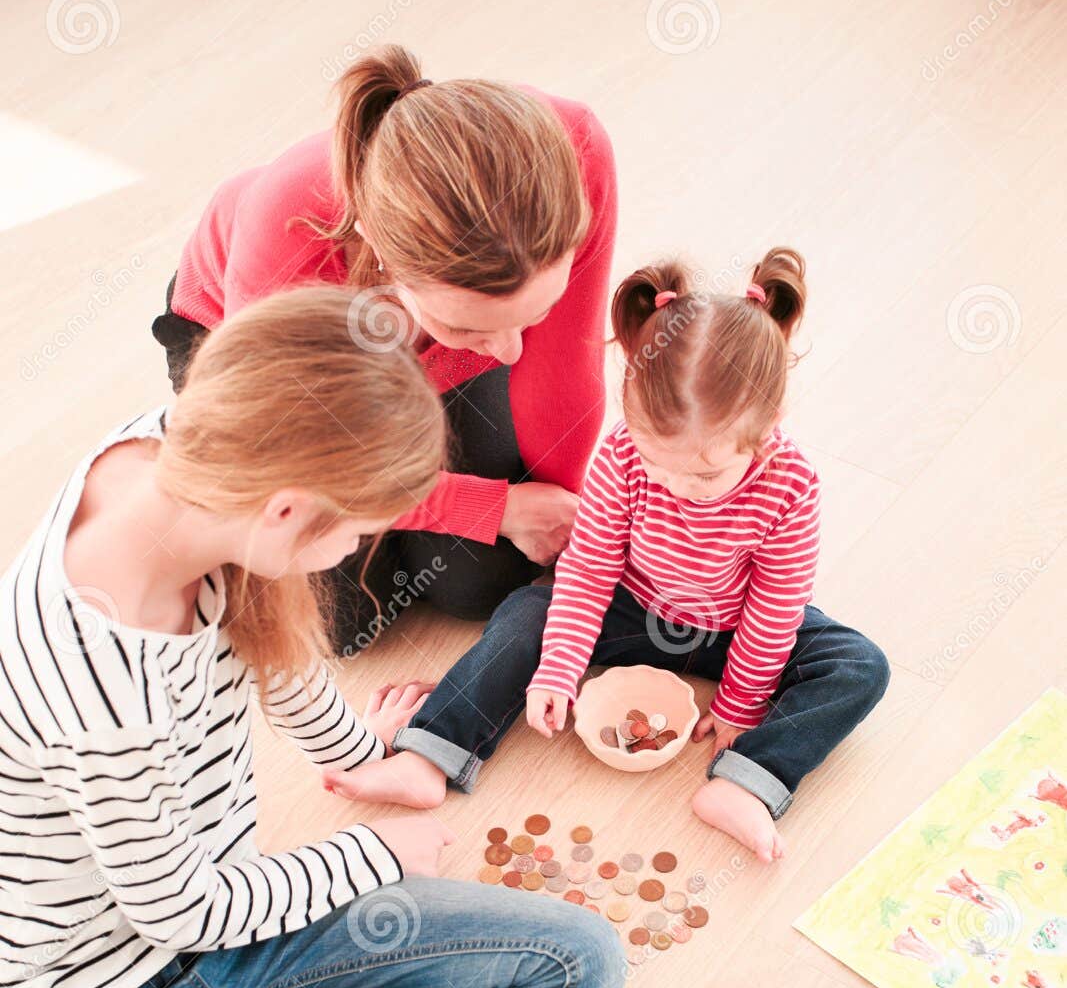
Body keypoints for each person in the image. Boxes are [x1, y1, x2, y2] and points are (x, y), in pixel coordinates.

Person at [0, 287, 625, 988]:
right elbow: (181, 914)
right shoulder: (98, 673)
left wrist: (362, 760)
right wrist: (379, 857)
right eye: (351, 531)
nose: (350, 554)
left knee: (581, 965)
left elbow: (272, 642)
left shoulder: (194, 461)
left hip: (240, 909)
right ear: (288, 512)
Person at [334, 250, 890, 862]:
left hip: (731, 627)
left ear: (769, 426)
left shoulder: (791, 484)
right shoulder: (623, 454)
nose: (677, 488)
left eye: (703, 475)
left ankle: (748, 783)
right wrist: (559, 667)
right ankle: (430, 753)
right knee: (526, 613)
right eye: (659, 464)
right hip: (627, 607)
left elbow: (775, 607)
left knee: (858, 665)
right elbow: (589, 568)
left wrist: (739, 705)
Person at [151, 45, 617, 649]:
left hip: (420, 355)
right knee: (342, 623)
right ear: (382, 252)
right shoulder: (287, 235)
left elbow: (563, 373)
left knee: (488, 583)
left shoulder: (574, 150)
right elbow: (295, 451)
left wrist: (563, 523)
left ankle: (399, 498)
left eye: (532, 317)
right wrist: (492, 508)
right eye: (473, 329)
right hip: (275, 374)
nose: (507, 352)